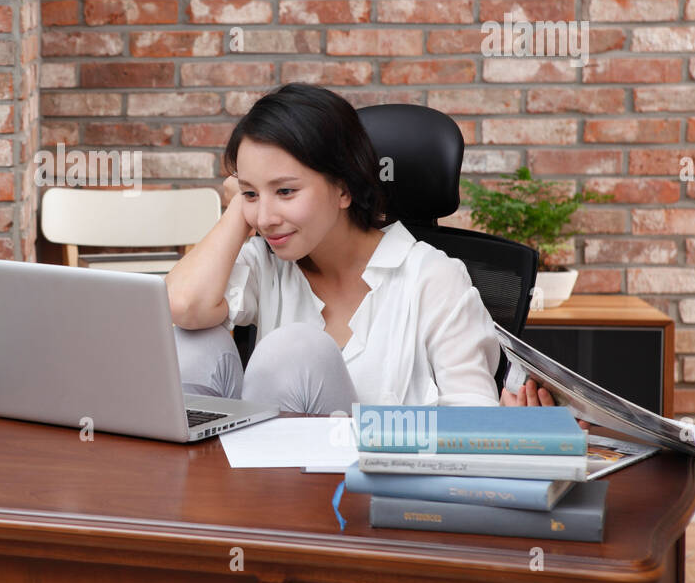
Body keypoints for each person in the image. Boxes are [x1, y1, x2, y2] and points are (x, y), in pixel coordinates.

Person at [165, 83, 564, 416]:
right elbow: (183, 305)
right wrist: (240, 206)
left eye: (286, 190)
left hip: (376, 492)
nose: (266, 218)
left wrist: (512, 427)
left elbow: (472, 413)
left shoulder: (433, 277)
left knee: (295, 349)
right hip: (262, 488)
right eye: (251, 192)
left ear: (344, 189)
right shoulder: (268, 261)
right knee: (193, 340)